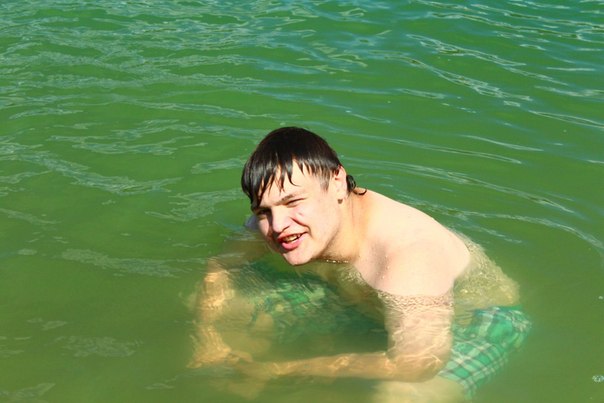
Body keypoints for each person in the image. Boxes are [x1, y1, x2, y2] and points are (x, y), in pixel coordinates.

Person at [189, 127, 531, 402]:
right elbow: (223, 267)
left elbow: (416, 363)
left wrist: (283, 369)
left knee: (402, 396)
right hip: (361, 303)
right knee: (234, 306)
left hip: (469, 324)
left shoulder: (409, 258)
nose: (277, 226)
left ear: (337, 182)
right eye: (264, 211)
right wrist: (209, 340)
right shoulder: (281, 218)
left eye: (293, 202)